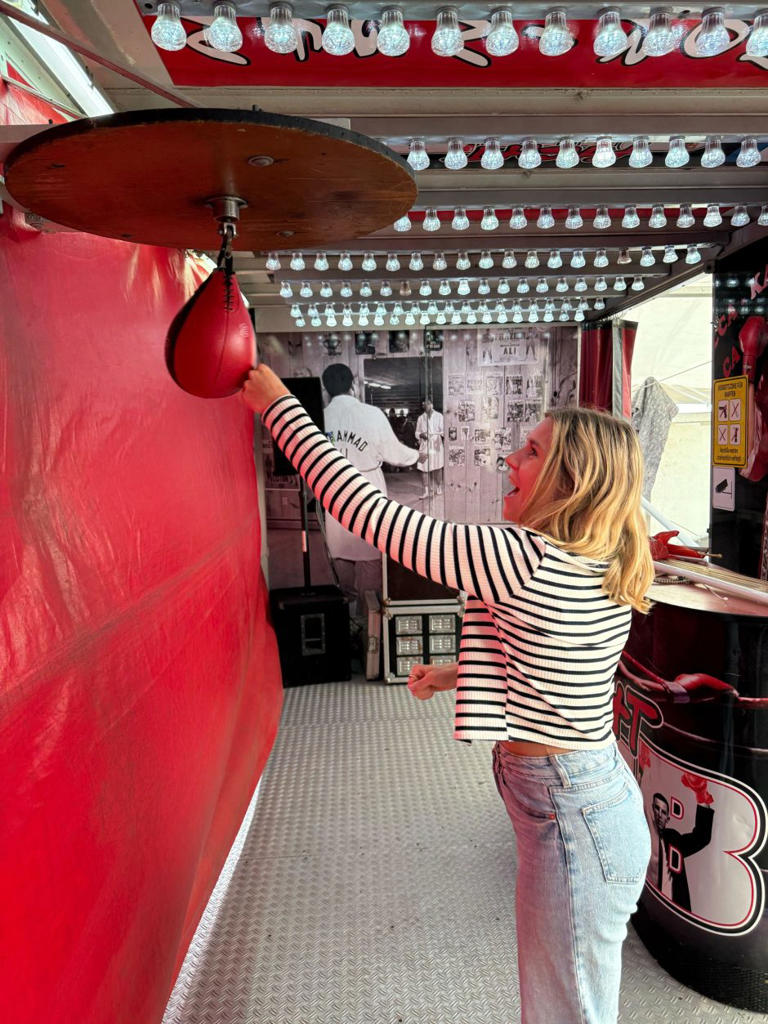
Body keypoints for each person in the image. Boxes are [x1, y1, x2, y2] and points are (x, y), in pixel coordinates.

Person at [242, 365, 655, 1024]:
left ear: (570, 482)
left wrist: (278, 406)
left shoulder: (524, 556)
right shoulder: (597, 556)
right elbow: (557, 666)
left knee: (564, 1014)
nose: (510, 458)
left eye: (532, 452)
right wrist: (454, 672)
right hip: (587, 796)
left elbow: (368, 513)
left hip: (573, 814)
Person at [320, 363, 418, 614]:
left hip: (334, 492)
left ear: (325, 389)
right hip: (367, 491)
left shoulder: (321, 416)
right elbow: (394, 454)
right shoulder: (371, 414)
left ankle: (347, 617)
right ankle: (369, 629)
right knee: (370, 557)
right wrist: (418, 456)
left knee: (340, 555)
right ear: (353, 385)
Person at [648, 775, 715, 912]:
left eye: (663, 812)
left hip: (675, 910)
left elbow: (702, 837)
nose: (659, 814)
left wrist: (701, 795)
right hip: (645, 905)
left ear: (668, 819)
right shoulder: (643, 829)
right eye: (656, 808)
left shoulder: (672, 838)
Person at [415, 398, 444, 499]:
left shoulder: (439, 416)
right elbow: (416, 433)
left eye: (427, 404)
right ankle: (426, 491)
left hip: (436, 445)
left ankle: (439, 486)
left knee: (438, 467)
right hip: (425, 445)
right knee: (423, 468)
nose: (425, 406)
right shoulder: (420, 418)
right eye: (423, 405)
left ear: (431, 404)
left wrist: (437, 435)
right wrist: (421, 435)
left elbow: (443, 431)